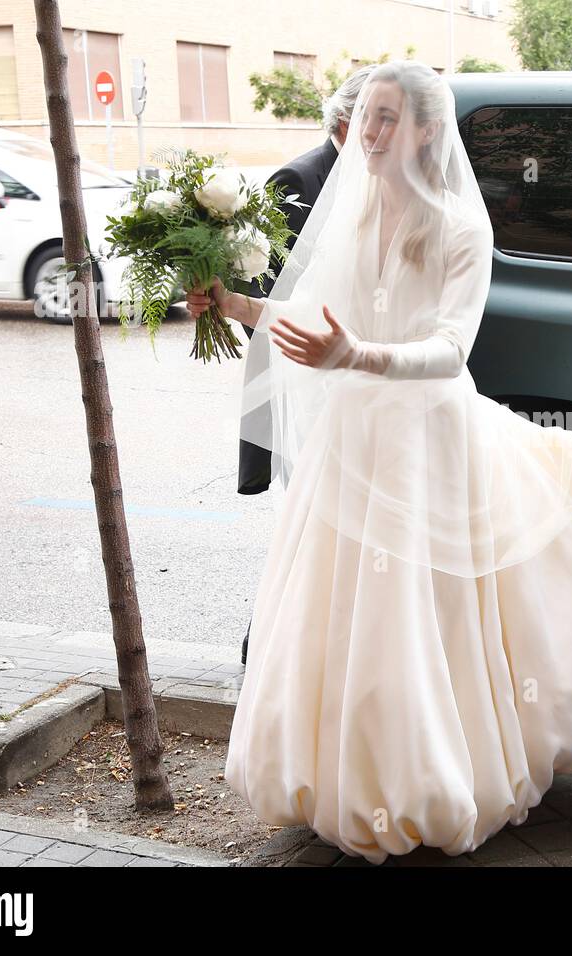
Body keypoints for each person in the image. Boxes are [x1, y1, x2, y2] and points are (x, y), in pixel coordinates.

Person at [186, 60, 572, 863]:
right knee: (338, 611)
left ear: (424, 130)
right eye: (366, 116)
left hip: (427, 441)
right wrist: (231, 303)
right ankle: (337, 776)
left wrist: (358, 354)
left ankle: (423, 779)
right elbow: (308, 316)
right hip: (352, 439)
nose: (369, 132)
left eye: (387, 117)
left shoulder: (458, 227)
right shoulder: (355, 213)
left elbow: (450, 350)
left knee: (417, 615)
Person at [235, 66, 374, 667]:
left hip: (359, 374)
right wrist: (303, 354)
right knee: (310, 514)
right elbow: (262, 282)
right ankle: (272, 650)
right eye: (374, 120)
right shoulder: (298, 179)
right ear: (344, 122)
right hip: (305, 375)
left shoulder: (379, 181)